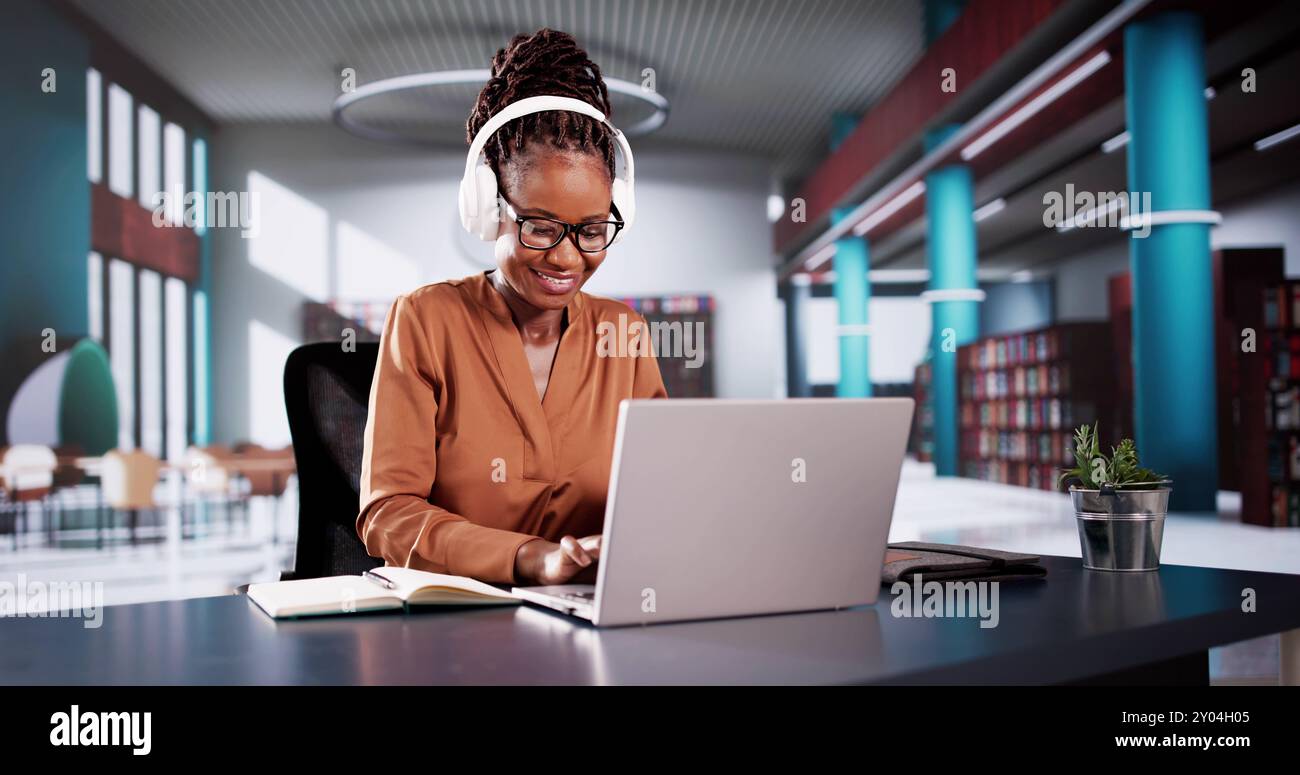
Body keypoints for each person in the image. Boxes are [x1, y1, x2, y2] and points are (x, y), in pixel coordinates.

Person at [358, 28, 666, 586]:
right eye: (541, 227)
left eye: (592, 231)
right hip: (460, 621)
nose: (567, 257)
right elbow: (388, 516)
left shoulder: (624, 332)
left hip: (596, 616)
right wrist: (529, 557)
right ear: (487, 208)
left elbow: (667, 490)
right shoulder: (427, 321)